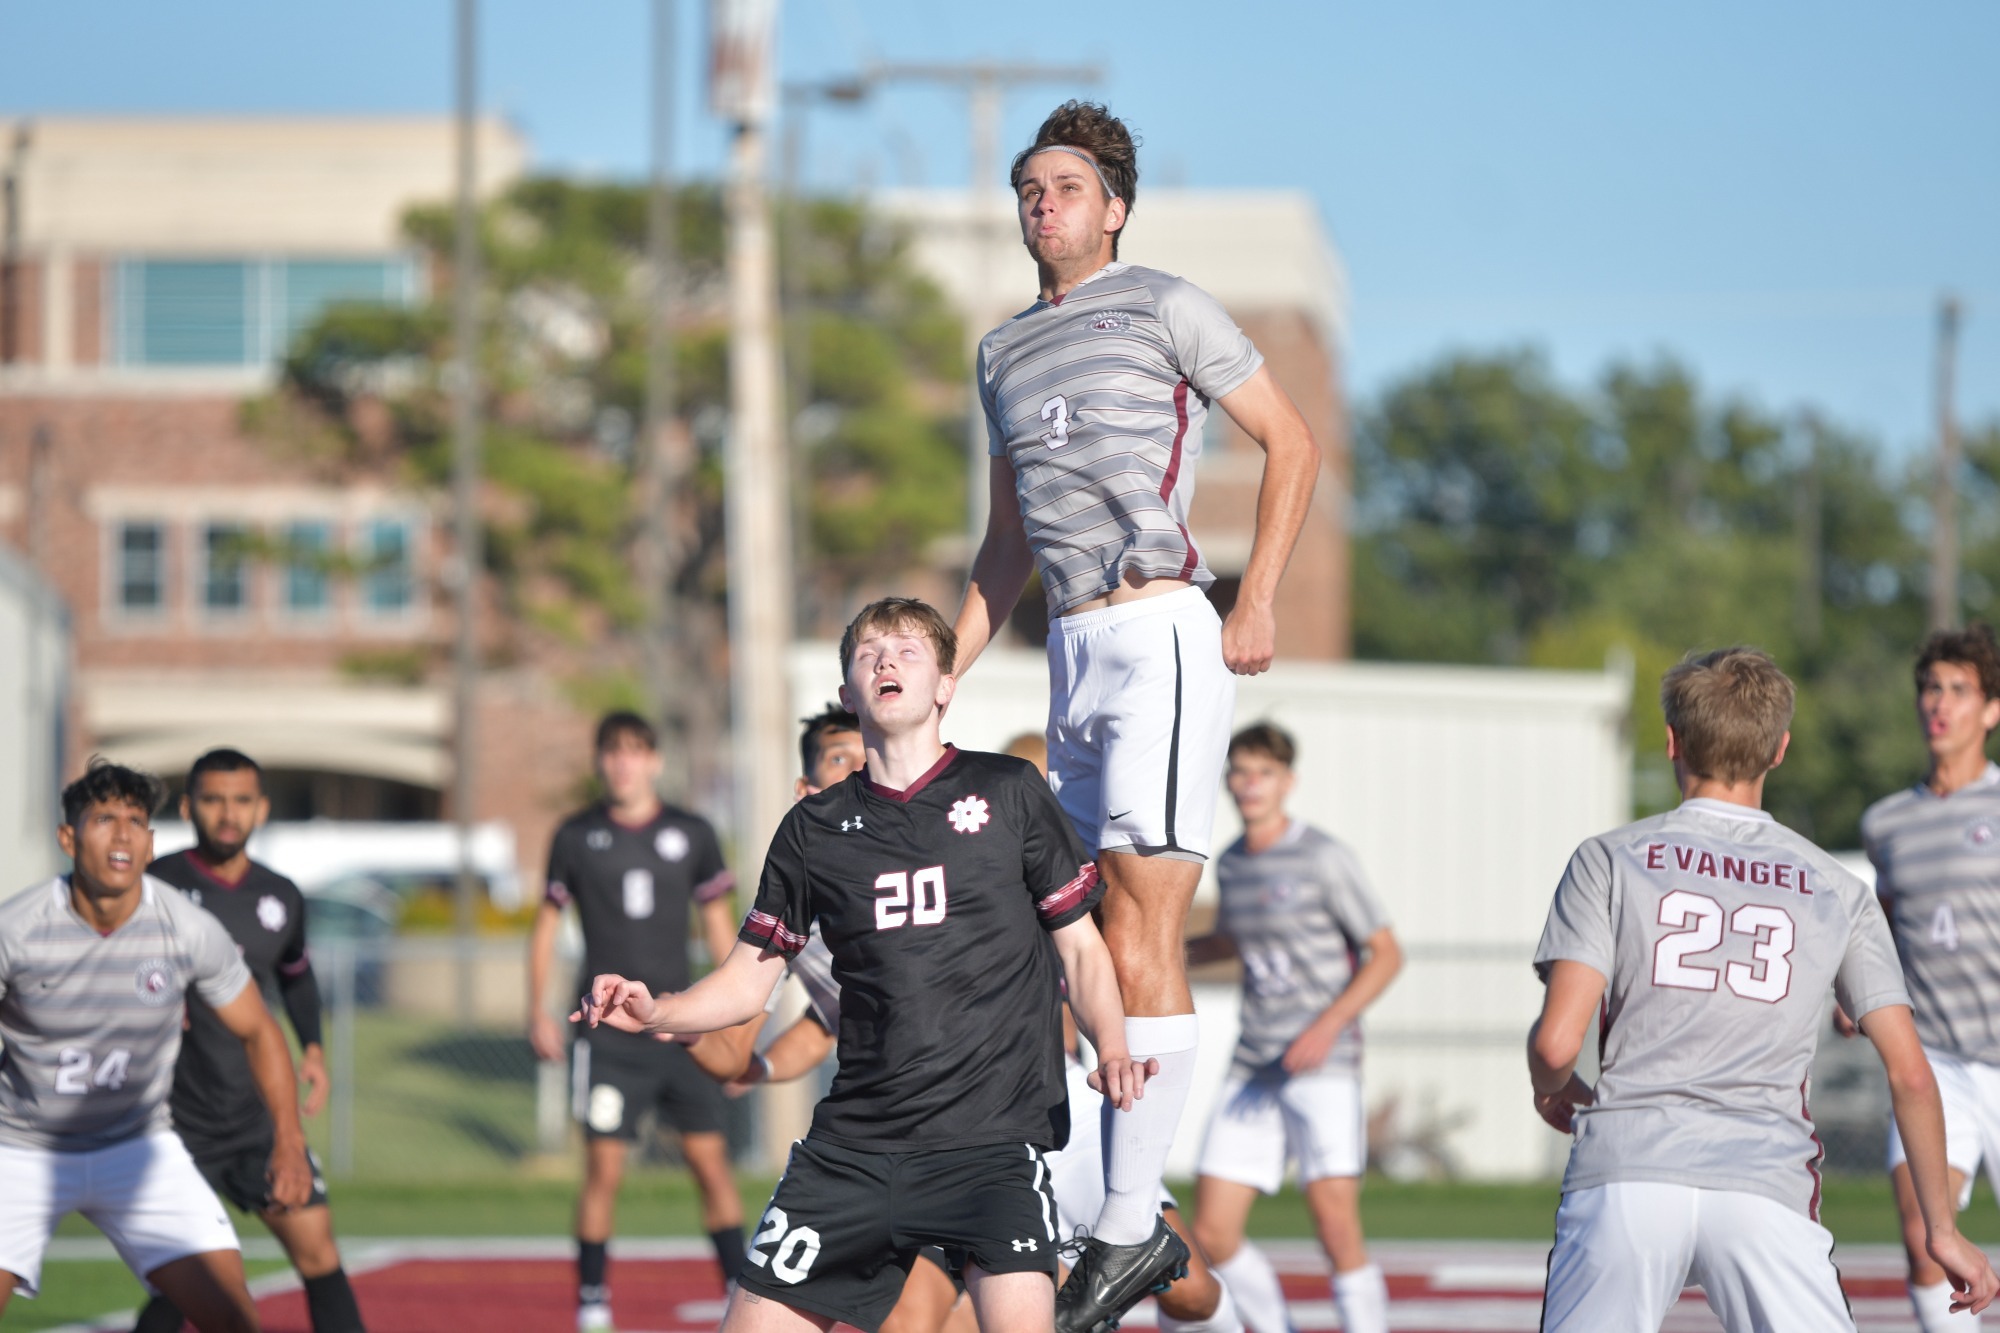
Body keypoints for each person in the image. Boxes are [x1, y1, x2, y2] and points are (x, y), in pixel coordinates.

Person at [949, 98, 1322, 1333]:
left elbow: (1291, 442)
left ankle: (1123, 1227)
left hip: (1163, 623)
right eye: (1025, 188)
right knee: (1073, 922)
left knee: (1144, 906)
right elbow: (1004, 540)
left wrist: (1254, 597)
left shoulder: (1166, 303)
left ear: (1111, 205)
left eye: (1060, 186)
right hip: (1065, 645)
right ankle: (1119, 1211)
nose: (1038, 203)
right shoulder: (1001, 350)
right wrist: (946, 668)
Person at [575, 597, 1152, 1333]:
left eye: (908, 650)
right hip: (853, 1152)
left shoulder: (1009, 791)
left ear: (946, 683)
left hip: (990, 1149)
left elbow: (1081, 946)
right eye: (868, 652)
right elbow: (750, 978)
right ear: (850, 690)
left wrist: (1113, 1044)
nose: (886, 660)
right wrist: (658, 1008)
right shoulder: (813, 829)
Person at [1530, 648, 1999, 1332]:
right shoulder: (1836, 885)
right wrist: (1942, 1228)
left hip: (1628, 1168)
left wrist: (1552, 1082)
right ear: (1780, 749)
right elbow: (1912, 1075)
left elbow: (1556, 1041)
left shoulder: (1608, 857)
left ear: (1672, 740)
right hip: (1764, 1179)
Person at [0, 761, 313, 1331]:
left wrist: (289, 1143)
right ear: (68, 838)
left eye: (136, 821)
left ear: (150, 842)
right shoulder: (16, 930)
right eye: (103, 819)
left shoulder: (186, 927)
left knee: (235, 1319)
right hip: (22, 1148)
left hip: (136, 1148)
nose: (122, 834)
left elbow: (260, 1029)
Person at [133, 749, 366, 1333]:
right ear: (189, 807)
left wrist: (312, 1047)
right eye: (213, 799)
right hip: (174, 1121)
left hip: (258, 1120)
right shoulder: (155, 886)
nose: (227, 814)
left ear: (261, 807)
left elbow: (295, 975)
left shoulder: (281, 896)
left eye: (241, 800)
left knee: (319, 1255)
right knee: (182, 1284)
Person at [527, 712, 745, 1331]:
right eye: (613, 752)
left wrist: (727, 1024)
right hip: (607, 1035)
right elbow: (545, 926)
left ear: (654, 760)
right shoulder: (574, 835)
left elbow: (719, 929)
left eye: (636, 751)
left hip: (678, 1026)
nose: (624, 763)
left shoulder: (693, 832)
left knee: (709, 1162)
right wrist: (536, 1009)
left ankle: (739, 1290)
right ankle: (592, 1300)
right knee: (603, 1169)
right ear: (600, 761)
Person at [1185, 724, 1401, 1333]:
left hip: (1322, 1062)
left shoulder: (1323, 855)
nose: (1250, 784)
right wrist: (1166, 952)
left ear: (1288, 782)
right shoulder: (1229, 861)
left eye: (1264, 773)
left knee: (1335, 1226)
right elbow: (1232, 938)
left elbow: (1385, 952)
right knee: (1213, 1233)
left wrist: (1327, 1027)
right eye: (1241, 771)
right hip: (1256, 1061)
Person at [1859, 624, 2000, 1331]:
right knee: (1924, 1235)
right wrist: (1856, 995)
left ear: (1992, 708)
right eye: (1930, 688)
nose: (1940, 703)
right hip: (1935, 1059)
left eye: (1958, 689)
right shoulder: (1886, 821)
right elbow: (1880, 930)